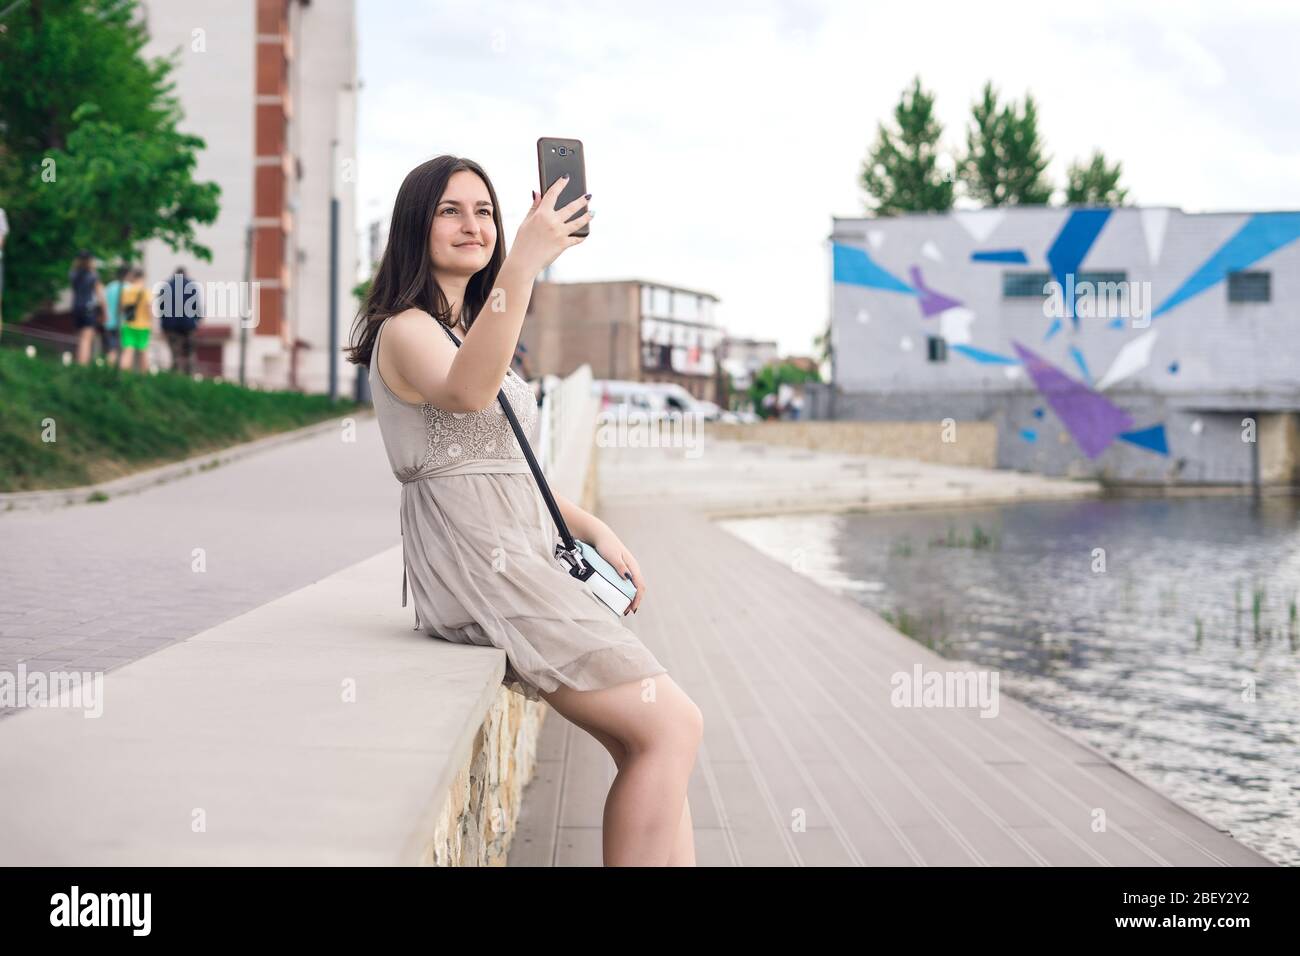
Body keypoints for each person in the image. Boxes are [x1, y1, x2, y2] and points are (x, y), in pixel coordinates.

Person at [344, 156, 703, 866]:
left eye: (485, 210)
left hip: (521, 554)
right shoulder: (405, 328)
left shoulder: (469, 326)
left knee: (655, 741)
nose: (473, 224)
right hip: (478, 565)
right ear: (416, 225)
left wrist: (592, 527)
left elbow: (505, 465)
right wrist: (528, 263)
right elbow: (468, 396)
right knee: (672, 728)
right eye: (451, 210)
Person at [160, 266, 202, 374]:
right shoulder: (191, 285)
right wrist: (198, 320)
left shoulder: (166, 286)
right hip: (188, 325)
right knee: (189, 353)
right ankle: (189, 376)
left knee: (175, 354)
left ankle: (176, 376)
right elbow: (196, 306)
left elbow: (161, 308)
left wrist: (163, 325)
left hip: (171, 326)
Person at [69, 251, 107, 364]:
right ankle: (83, 365)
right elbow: (100, 294)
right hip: (88, 308)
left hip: (76, 307)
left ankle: (78, 363)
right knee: (86, 339)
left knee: (80, 338)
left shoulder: (73, 274)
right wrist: (105, 312)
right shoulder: (93, 275)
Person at [117, 267, 153, 373]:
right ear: (143, 277)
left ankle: (124, 376)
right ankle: (144, 377)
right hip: (143, 326)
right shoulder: (146, 292)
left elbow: (122, 308)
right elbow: (149, 308)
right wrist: (152, 323)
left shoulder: (126, 291)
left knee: (127, 351)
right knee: (144, 352)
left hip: (128, 324)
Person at [100, 265, 128, 367]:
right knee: (125, 350)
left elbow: (102, 302)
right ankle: (122, 373)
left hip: (109, 322)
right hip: (124, 323)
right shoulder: (128, 287)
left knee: (112, 349)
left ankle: (109, 370)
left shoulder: (110, 286)